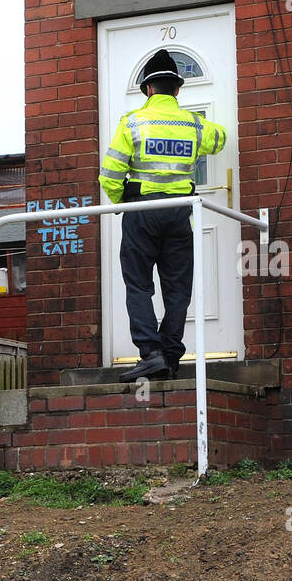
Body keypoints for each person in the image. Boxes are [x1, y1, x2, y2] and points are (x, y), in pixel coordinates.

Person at [100, 48, 228, 383]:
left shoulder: (132, 123)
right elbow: (221, 139)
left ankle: (151, 354)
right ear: (177, 89)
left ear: (147, 89)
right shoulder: (193, 124)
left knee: (139, 285)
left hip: (142, 211)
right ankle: (170, 355)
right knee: (177, 289)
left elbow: (109, 176)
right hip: (179, 214)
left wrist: (122, 201)